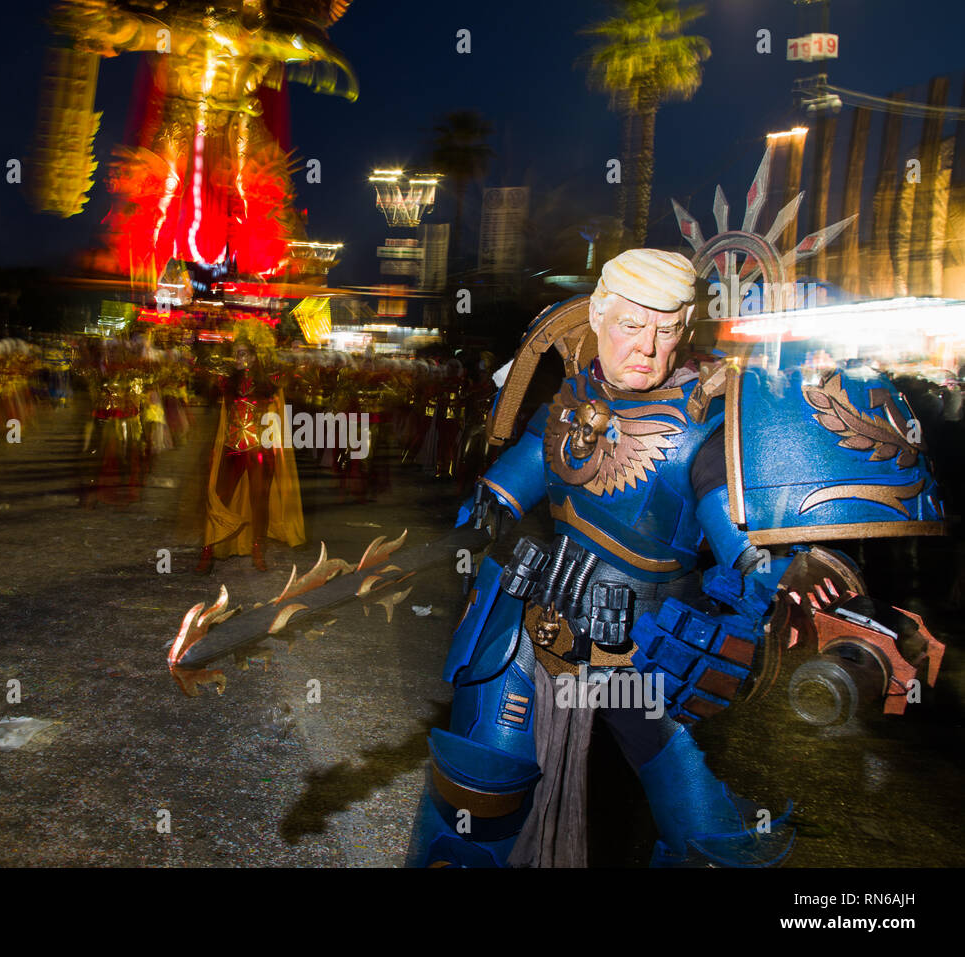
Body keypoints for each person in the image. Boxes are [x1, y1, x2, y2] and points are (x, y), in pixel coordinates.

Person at [409, 247, 944, 867]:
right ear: (597, 318)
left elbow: (742, 546)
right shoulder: (570, 399)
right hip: (534, 621)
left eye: (666, 331)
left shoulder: (710, 426)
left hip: (647, 645)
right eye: (631, 326)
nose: (647, 347)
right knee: (477, 790)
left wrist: (788, 578)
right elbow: (511, 483)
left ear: (685, 329)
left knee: (706, 829)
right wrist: (484, 515)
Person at [194, 326, 304, 574]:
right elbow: (204, 383)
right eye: (236, 354)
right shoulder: (227, 382)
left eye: (244, 353)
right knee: (218, 498)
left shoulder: (269, 382)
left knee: (259, 501)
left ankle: (257, 550)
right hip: (232, 448)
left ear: (254, 357)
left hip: (259, 449)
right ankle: (208, 551)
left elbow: (290, 385)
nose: (239, 358)